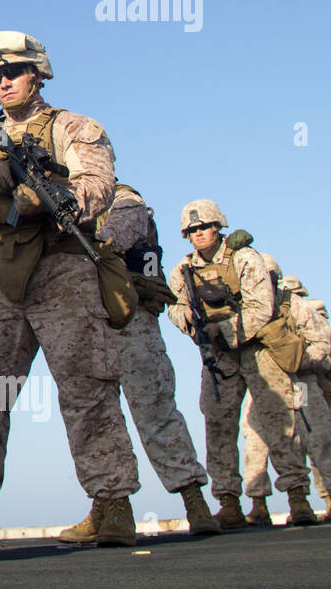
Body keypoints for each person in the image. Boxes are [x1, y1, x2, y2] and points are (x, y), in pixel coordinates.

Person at [0, 29, 141, 548]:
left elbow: (99, 186)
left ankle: (112, 502)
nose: (3, 82)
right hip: (3, 269)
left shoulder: (76, 127)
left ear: (37, 73)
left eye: (11, 72)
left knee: (86, 383)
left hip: (62, 263)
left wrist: (39, 193)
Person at [57, 183, 221, 541]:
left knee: (156, 411)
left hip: (129, 317)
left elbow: (113, 237)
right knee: (96, 419)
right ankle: (107, 505)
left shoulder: (124, 199)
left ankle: (195, 502)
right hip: (85, 320)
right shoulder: (64, 196)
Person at [166, 201, 316, 528]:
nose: (198, 233)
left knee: (279, 423)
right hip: (218, 357)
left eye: (204, 226)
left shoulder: (245, 258)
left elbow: (262, 307)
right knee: (218, 426)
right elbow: (173, 307)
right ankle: (229, 502)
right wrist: (189, 320)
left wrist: (225, 331)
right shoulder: (183, 270)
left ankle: (297, 497)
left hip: (256, 348)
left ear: (218, 226)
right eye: (192, 230)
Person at [238, 267, 331, 524]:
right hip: (264, 386)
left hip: (301, 382)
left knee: (318, 435)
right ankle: (261, 503)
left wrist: (296, 362)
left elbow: (322, 346)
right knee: (257, 444)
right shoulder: (247, 308)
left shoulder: (298, 307)